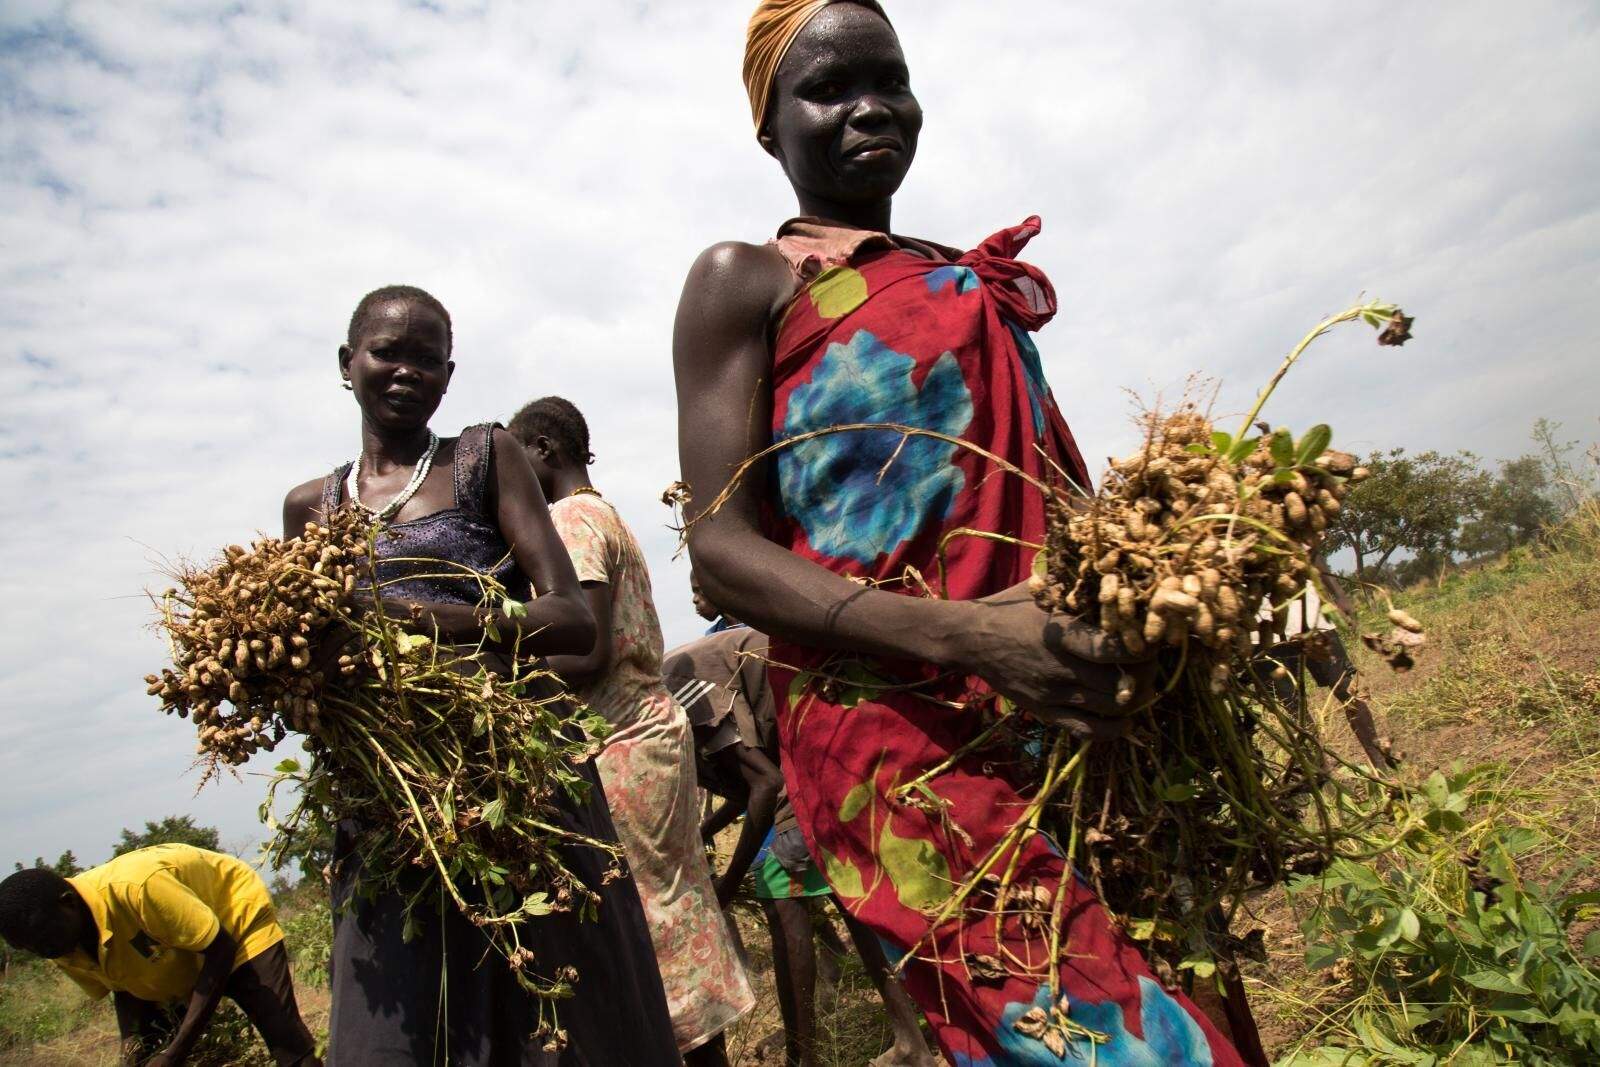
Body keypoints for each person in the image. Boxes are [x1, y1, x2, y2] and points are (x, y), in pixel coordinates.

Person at [670, 2, 1251, 1063]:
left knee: (1183, 991)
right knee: (1122, 1041)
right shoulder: (743, 280)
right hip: (901, 737)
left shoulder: (955, 271)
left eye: (887, 78)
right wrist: (965, 638)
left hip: (1061, 700)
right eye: (828, 87)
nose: (867, 106)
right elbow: (720, 551)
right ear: (767, 128)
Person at [281, 286, 678, 1066]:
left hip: (515, 774)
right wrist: (302, 692)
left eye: (427, 358)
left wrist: (437, 623)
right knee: (400, 1022)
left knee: (555, 1011)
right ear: (346, 363)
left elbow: (571, 617)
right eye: (386, 352)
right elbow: (309, 680)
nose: (405, 370)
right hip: (392, 798)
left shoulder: (483, 456)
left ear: (449, 373)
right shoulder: (310, 509)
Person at [508, 396, 755, 1066]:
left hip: (620, 744)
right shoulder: (604, 513)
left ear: (543, 452)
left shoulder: (572, 519)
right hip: (645, 735)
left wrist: (502, 677)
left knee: (650, 921)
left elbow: (585, 650)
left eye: (515, 461)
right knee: (673, 911)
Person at [663, 619, 936, 1067]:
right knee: (850, 899)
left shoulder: (673, 691)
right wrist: (703, 833)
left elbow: (765, 785)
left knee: (779, 893)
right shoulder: (671, 699)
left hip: (815, 744)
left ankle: (802, 1059)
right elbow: (745, 788)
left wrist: (730, 880)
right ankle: (912, 1044)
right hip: (813, 744)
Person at [0, 844, 318, 1067]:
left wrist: (177, 1051)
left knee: (286, 1042)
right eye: (29, 948)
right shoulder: (57, 945)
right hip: (180, 947)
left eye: (43, 938)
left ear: (67, 902)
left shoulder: (137, 888)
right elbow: (124, 987)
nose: (43, 952)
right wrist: (134, 1049)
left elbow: (221, 949)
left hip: (234, 916)